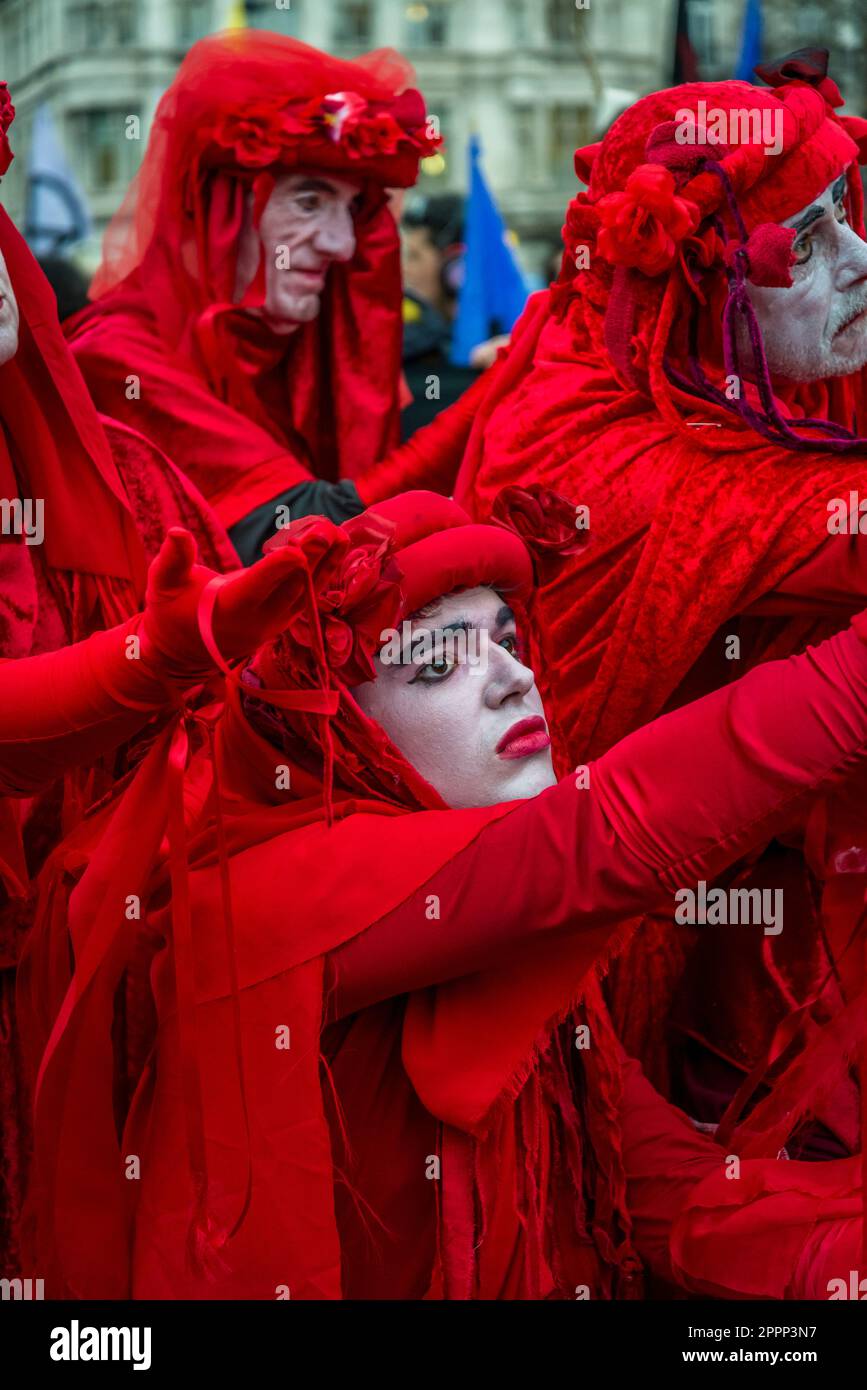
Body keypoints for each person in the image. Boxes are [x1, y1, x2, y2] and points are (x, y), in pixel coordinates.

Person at [20, 489, 867, 1300]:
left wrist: (827, 1260)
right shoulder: (265, 893)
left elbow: (651, 1186)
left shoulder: (499, 907)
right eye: (435, 666)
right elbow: (605, 834)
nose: (512, 680)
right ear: (340, 732)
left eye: (508, 639)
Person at [454, 50, 867, 1146]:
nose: (866, 260)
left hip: (729, 919)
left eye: (850, 218)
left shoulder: (633, 346)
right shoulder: (610, 450)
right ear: (698, 289)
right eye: (815, 241)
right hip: (587, 965)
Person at [65, 31, 493, 565]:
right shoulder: (118, 356)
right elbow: (310, 533)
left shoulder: (293, 336)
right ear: (219, 209)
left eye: (352, 207)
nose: (342, 245)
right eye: (308, 201)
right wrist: (500, 389)